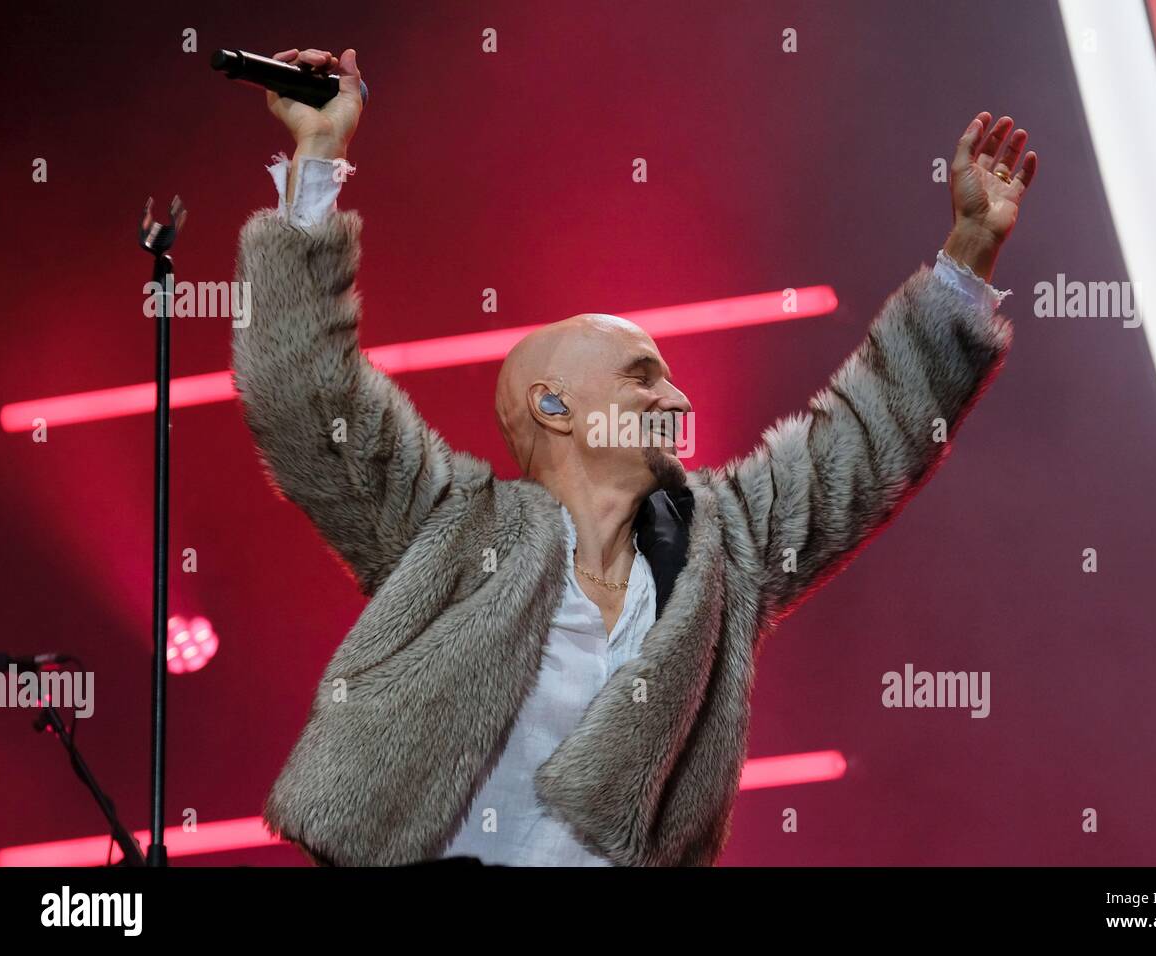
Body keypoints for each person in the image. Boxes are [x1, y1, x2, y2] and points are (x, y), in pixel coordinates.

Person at [232, 47, 1038, 866]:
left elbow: (863, 449)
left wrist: (970, 252)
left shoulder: (723, 546)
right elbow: (305, 396)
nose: (677, 400)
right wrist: (319, 156)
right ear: (553, 406)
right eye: (641, 377)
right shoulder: (447, 526)